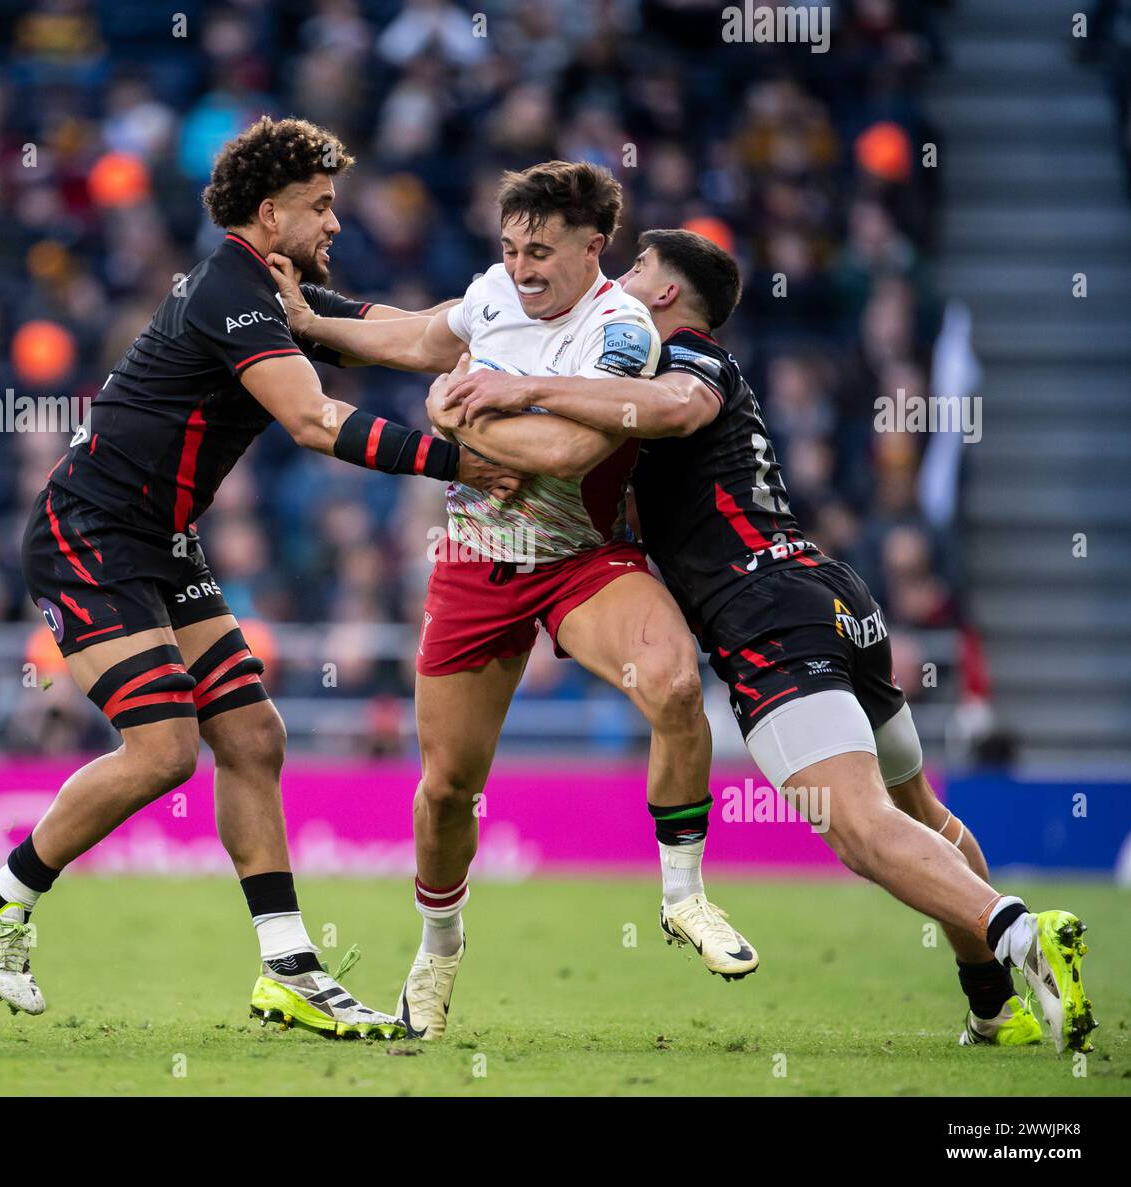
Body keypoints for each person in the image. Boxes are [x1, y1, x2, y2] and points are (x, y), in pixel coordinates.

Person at [434, 228, 1097, 1053]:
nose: (619, 280)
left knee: (854, 824)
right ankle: (994, 1003)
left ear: (670, 294)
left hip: (766, 615)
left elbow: (670, 409)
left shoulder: (689, 359)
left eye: (636, 267)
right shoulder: (619, 367)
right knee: (919, 810)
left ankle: (1016, 928)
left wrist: (516, 386)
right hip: (830, 596)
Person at [0, 115, 519, 1042]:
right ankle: (0, 897)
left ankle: (289, 969)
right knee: (167, 750)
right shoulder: (231, 290)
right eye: (320, 206)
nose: (336, 222)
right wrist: (456, 462)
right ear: (270, 212)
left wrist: (510, 328)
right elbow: (313, 422)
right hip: (89, 531)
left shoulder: (280, 294)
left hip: (159, 538)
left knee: (253, 736)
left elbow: (414, 341)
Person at [268, 161, 759, 1041]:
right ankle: (439, 946)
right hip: (475, 559)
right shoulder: (494, 293)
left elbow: (568, 451)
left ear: (591, 249)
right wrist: (311, 322)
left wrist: (458, 420)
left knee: (677, 685)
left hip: (582, 559)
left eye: (540, 251)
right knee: (449, 789)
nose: (522, 268)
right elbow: (425, 338)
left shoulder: (620, 331)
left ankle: (684, 896)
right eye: (510, 248)